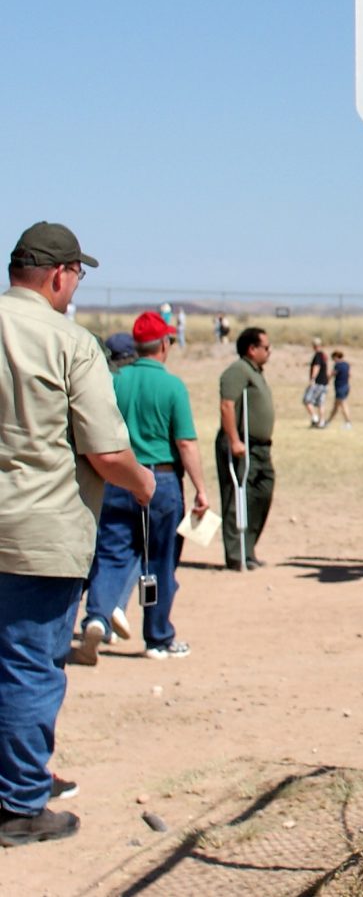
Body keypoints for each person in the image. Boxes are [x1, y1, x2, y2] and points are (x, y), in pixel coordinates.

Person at [0, 221, 155, 846]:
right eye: (76, 277)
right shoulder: (70, 343)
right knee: (31, 666)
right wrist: (143, 483)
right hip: (41, 534)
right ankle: (19, 803)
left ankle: (20, 775)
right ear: (60, 275)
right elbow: (105, 452)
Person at [72, 313, 209, 664]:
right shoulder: (172, 386)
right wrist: (200, 489)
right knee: (159, 562)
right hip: (161, 481)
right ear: (164, 345)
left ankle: (98, 618)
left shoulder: (115, 381)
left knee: (113, 553)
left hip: (118, 476)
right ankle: (157, 637)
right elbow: (186, 443)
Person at [215, 327, 275, 570]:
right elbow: (227, 406)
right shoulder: (237, 371)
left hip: (261, 448)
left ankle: (248, 547)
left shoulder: (255, 372)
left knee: (262, 492)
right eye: (266, 347)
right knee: (235, 499)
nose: (269, 352)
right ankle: (236, 554)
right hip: (241, 445)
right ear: (252, 349)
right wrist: (234, 440)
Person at [304, 337, 329, 428]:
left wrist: (312, 379)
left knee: (307, 400)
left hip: (318, 382)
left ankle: (315, 418)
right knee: (321, 403)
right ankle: (321, 422)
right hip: (324, 383)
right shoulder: (324, 355)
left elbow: (317, 367)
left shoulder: (318, 355)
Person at [322, 350, 351, 428]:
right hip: (346, 386)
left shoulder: (338, 365)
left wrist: (326, 380)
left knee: (343, 405)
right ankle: (328, 421)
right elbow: (349, 375)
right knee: (336, 406)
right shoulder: (347, 364)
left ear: (336, 357)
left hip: (340, 387)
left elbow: (332, 374)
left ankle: (348, 423)